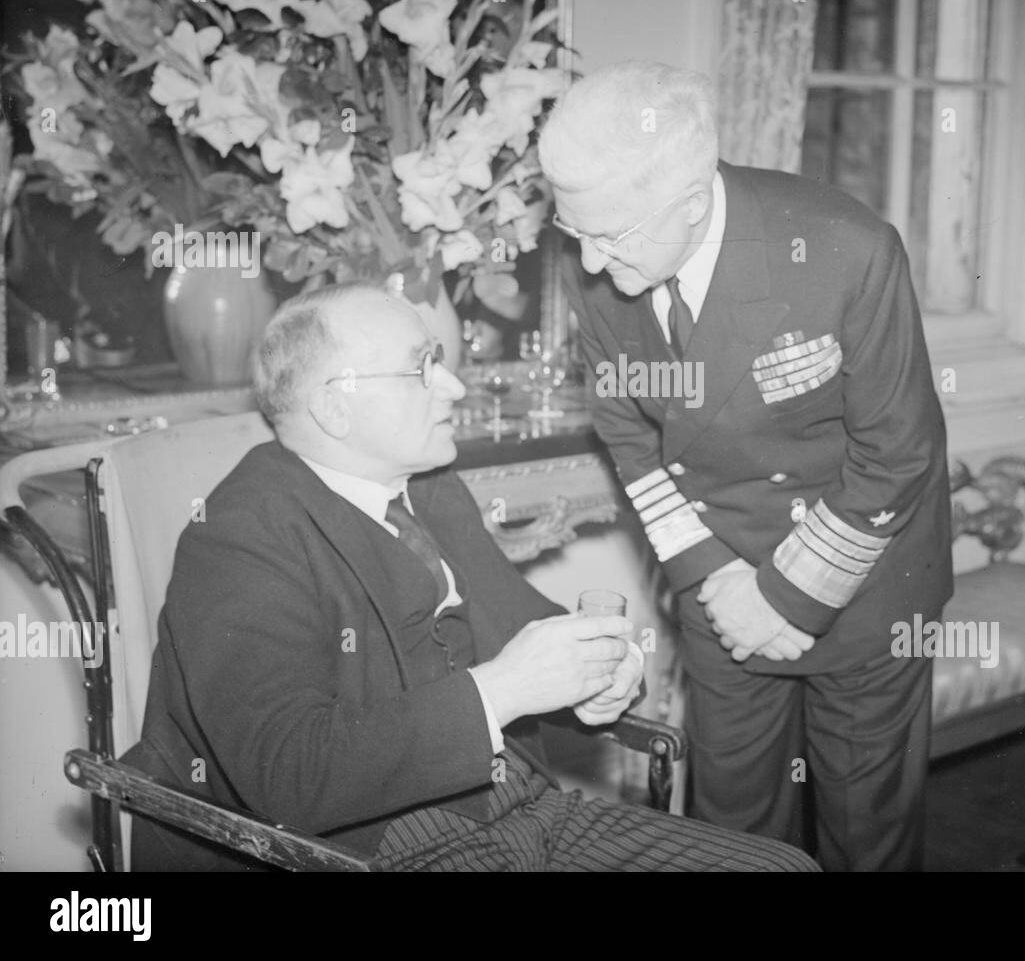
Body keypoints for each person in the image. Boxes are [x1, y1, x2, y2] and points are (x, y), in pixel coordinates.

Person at [122, 283, 817, 872]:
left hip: (517, 808)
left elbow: (523, 620)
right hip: (363, 849)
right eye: (422, 368)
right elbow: (288, 774)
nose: (455, 387)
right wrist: (507, 686)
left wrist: (609, 669)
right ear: (336, 406)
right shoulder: (242, 534)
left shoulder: (429, 490)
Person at [539, 61, 954, 871]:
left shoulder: (843, 251)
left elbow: (897, 452)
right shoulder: (609, 246)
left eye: (608, 239)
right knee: (728, 830)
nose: (587, 266)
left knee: (866, 832)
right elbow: (631, 438)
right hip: (721, 583)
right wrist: (716, 578)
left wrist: (789, 597)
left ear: (691, 204)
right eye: (572, 233)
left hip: (866, 582)